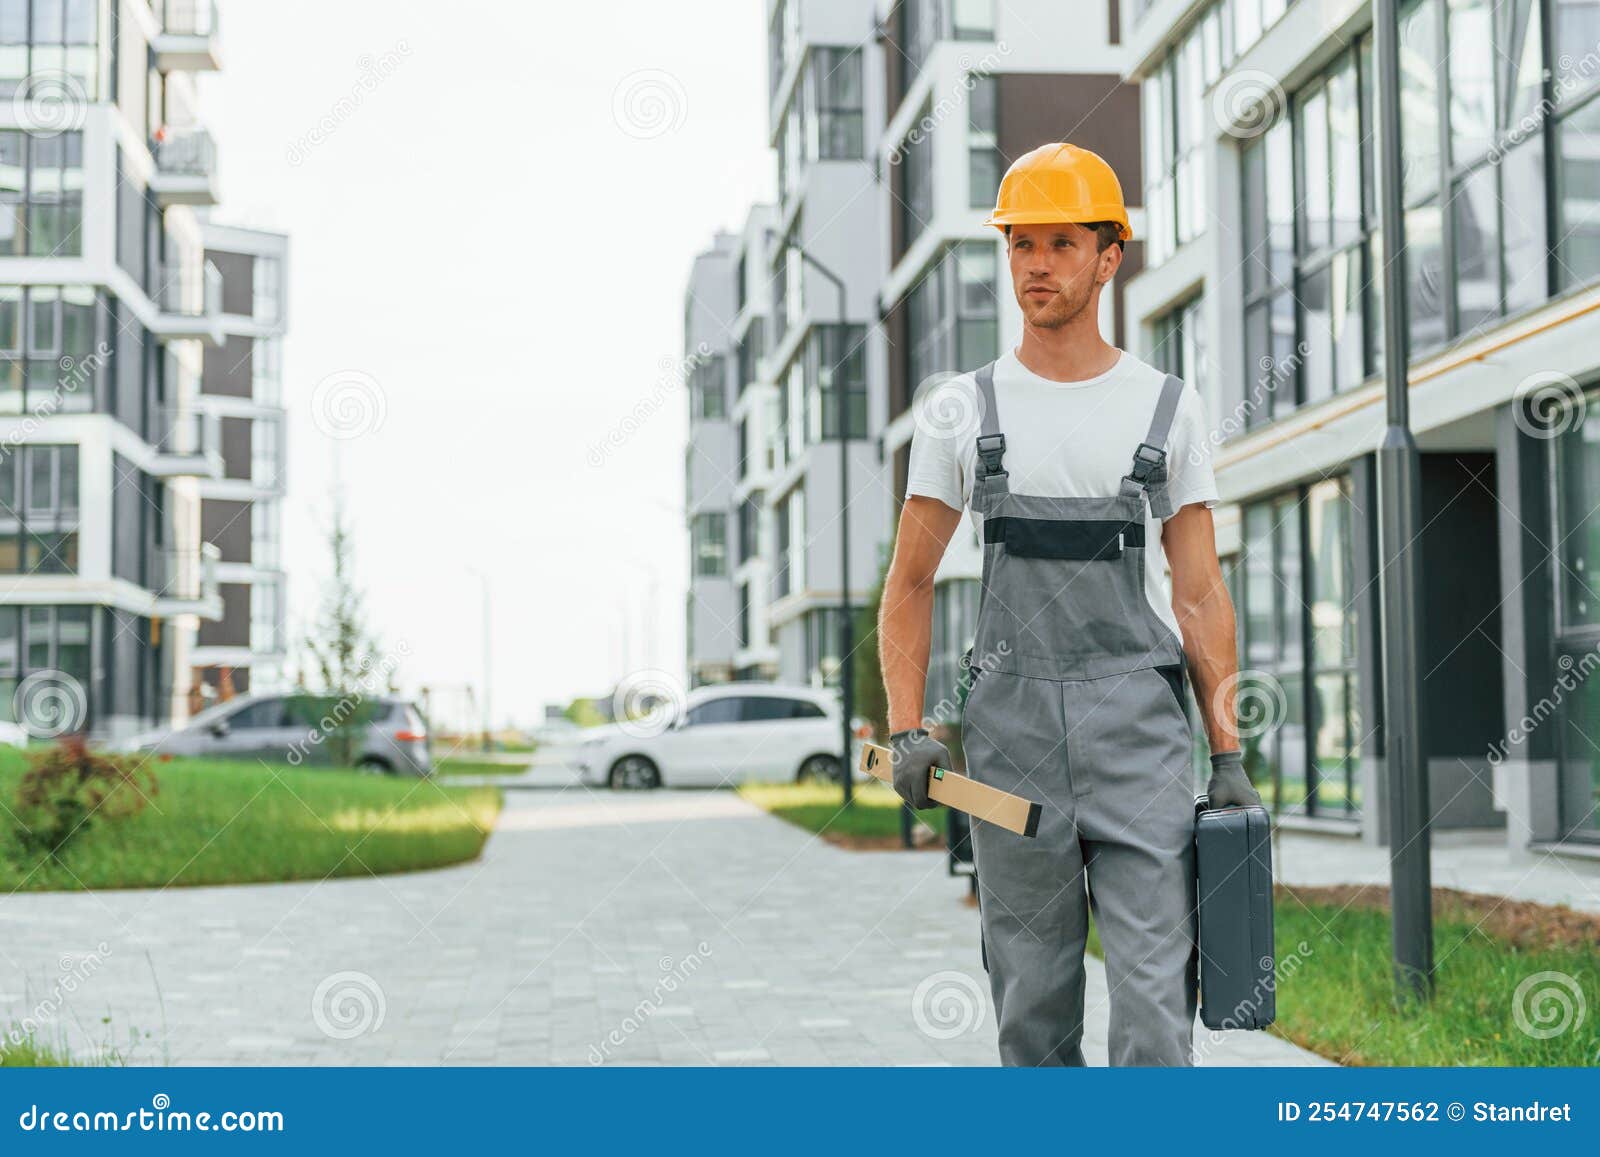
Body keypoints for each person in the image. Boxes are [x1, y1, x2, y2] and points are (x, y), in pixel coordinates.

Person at [876, 142, 1261, 1067]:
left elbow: (1201, 592)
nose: (1035, 263)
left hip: (1138, 740)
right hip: (1009, 751)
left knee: (1156, 1015)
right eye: (1019, 243)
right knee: (1033, 1016)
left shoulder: (1165, 407)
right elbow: (911, 582)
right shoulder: (960, 411)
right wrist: (905, 728)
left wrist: (1228, 751)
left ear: (1109, 255)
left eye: (1058, 242)